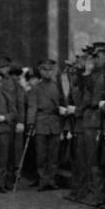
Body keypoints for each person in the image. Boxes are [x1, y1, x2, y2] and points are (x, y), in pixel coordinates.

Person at [28, 58, 63, 190]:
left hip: (54, 122)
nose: (48, 73)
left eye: (50, 70)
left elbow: (62, 104)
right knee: (41, 155)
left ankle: (52, 180)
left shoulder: (56, 86)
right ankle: (43, 180)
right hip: (41, 122)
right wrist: (31, 123)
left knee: (53, 155)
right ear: (40, 71)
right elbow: (32, 106)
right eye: (44, 70)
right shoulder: (36, 88)